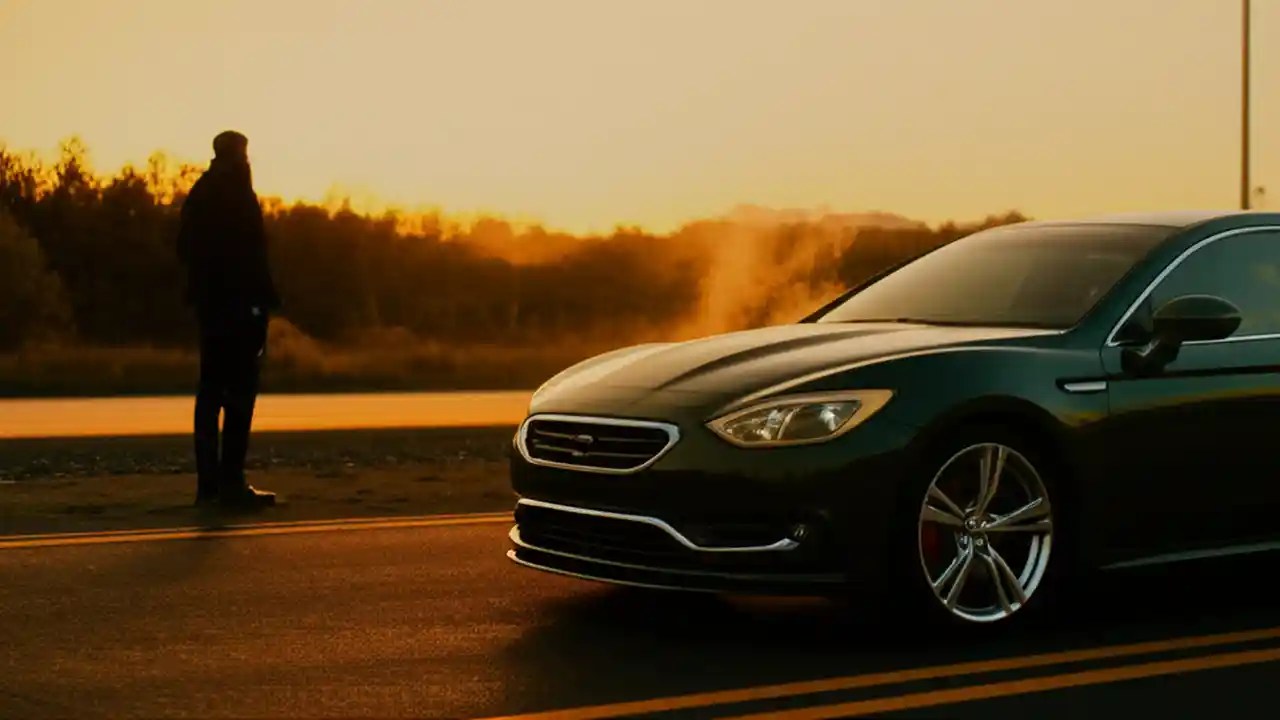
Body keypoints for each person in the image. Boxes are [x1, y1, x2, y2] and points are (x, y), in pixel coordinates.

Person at [176, 130, 280, 508]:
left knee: (209, 396)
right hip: (239, 309)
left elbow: (184, 249)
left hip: (211, 310)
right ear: (240, 154)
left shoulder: (200, 194)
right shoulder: (237, 194)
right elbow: (253, 256)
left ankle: (209, 487)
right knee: (238, 397)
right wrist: (261, 302)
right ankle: (231, 484)